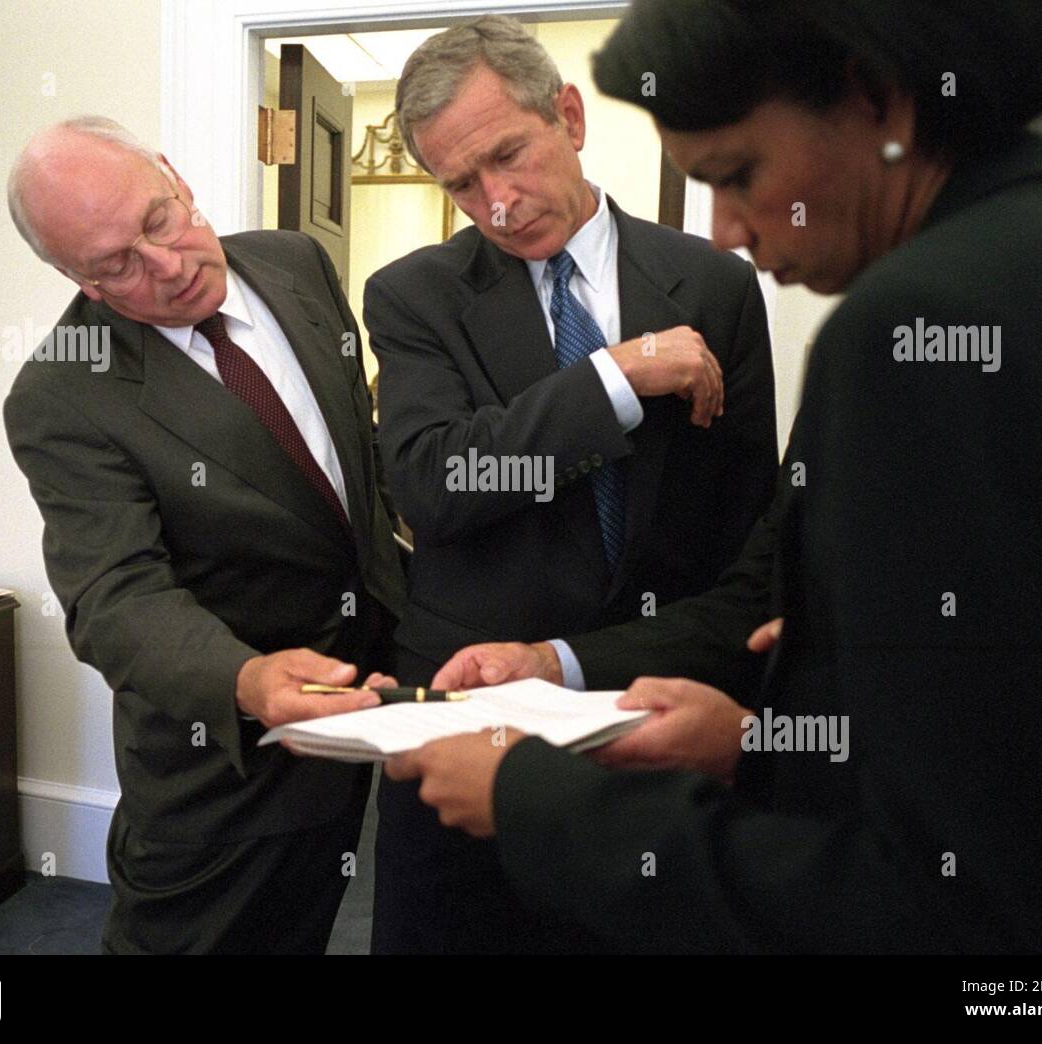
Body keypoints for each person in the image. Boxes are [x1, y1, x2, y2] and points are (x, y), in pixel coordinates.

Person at [388, 0, 1042, 953]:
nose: (733, 229)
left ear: (878, 106)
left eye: (739, 175)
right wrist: (771, 726)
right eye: (462, 184)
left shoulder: (910, 325)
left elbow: (946, 891)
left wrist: (533, 795)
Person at [363, 15, 779, 952]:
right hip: (471, 714)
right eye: (461, 184)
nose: (498, 203)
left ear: (570, 116)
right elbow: (433, 483)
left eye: (508, 156)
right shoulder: (412, 294)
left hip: (654, 705)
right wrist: (613, 379)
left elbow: (750, 540)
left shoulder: (714, 286)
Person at [3, 117, 406, 954]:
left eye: (159, 220)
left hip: (370, 690)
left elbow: (350, 464)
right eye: (116, 263)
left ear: (176, 177)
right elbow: (116, 598)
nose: (170, 265)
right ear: (73, 277)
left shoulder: (295, 261)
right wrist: (249, 679)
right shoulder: (60, 392)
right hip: (225, 764)